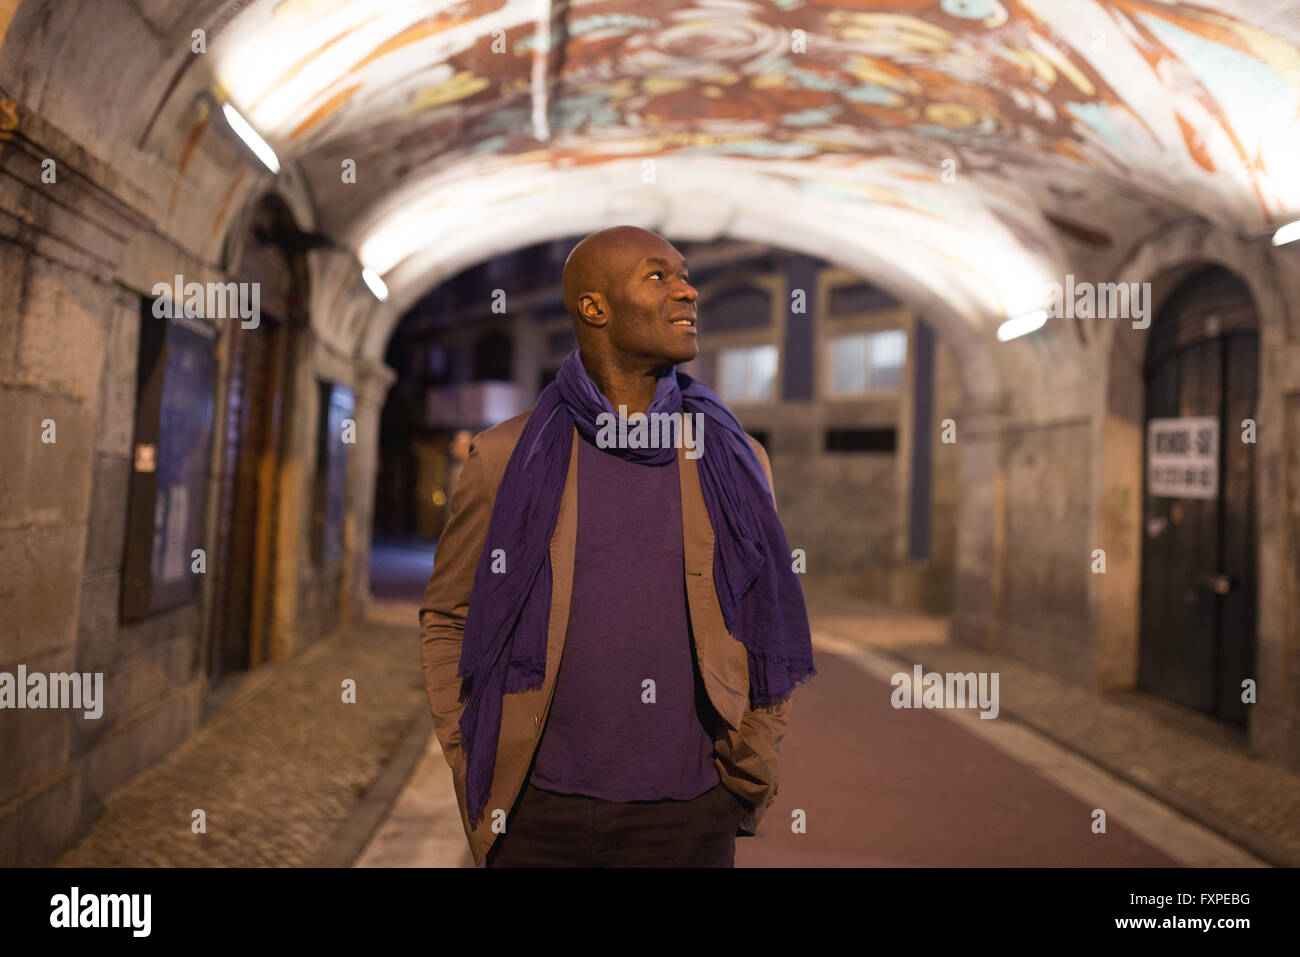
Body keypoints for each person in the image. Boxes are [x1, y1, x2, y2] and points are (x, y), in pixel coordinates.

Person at [419, 225, 816, 868]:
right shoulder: (503, 457)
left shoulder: (735, 461)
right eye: (657, 276)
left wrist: (751, 759)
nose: (687, 291)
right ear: (594, 307)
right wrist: (470, 758)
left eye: (685, 275)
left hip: (690, 811)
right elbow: (448, 617)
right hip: (535, 810)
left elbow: (768, 621)